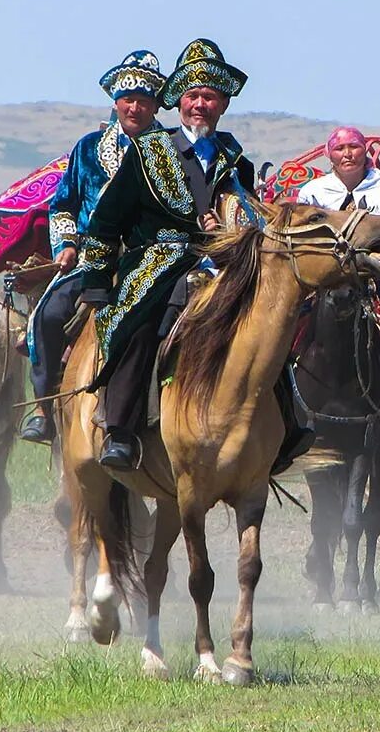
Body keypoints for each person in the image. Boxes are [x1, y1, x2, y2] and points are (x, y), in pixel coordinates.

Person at [78, 38, 262, 470]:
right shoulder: (147, 153)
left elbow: (251, 215)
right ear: (179, 102)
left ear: (222, 105)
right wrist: (96, 284)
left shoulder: (236, 161)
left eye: (210, 97)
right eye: (193, 96)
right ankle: (121, 431)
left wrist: (232, 230)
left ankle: (286, 426)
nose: (200, 104)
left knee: (272, 320)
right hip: (156, 263)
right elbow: (106, 222)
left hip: (225, 263)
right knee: (142, 325)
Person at [19, 50, 167, 443]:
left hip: (149, 259)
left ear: (155, 105)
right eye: (128, 99)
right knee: (48, 317)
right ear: (116, 102)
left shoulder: (168, 152)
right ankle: (45, 406)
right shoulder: (87, 149)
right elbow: (63, 203)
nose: (135, 107)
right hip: (89, 258)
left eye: (144, 100)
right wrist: (65, 244)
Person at [296, 126, 380, 435]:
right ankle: (285, 405)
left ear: (364, 151)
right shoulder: (314, 190)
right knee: (282, 328)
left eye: (354, 146)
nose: (347, 153)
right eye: (340, 149)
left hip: (371, 277)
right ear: (329, 155)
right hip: (321, 278)